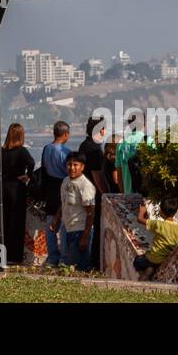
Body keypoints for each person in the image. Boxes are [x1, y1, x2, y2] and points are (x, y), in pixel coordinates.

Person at [49, 153, 95, 271]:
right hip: (67, 229)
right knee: (68, 265)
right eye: (69, 164)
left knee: (78, 268)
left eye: (76, 165)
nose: (72, 168)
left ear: (82, 167)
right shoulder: (66, 181)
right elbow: (63, 203)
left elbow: (90, 212)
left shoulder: (85, 185)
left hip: (80, 231)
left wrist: (85, 237)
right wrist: (55, 220)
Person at [0, 123, 36, 266]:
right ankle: (14, 256)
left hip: (3, 188)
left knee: (4, 222)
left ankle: (3, 254)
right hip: (16, 188)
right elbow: (32, 163)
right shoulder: (22, 151)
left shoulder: (1, 151)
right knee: (16, 223)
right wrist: (28, 176)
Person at [40, 121, 72, 267]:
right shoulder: (65, 153)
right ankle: (64, 258)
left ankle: (52, 257)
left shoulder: (47, 149)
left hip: (50, 188)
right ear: (65, 134)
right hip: (63, 186)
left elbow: (44, 168)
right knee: (65, 224)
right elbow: (70, 173)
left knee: (50, 224)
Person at [79, 115, 109, 270]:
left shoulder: (84, 145)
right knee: (96, 228)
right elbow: (97, 174)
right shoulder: (95, 149)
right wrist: (105, 193)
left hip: (82, 190)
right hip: (93, 193)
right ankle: (95, 262)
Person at [133, 197, 178, 280]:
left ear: (161, 211)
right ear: (175, 212)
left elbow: (140, 219)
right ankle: (149, 272)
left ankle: (145, 276)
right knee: (151, 266)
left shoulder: (159, 224)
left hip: (153, 257)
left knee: (137, 261)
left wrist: (142, 211)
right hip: (165, 259)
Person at [113, 113, 149, 195]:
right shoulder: (148, 142)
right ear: (144, 124)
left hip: (128, 194)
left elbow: (119, 174)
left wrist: (124, 194)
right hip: (146, 195)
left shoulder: (121, 145)